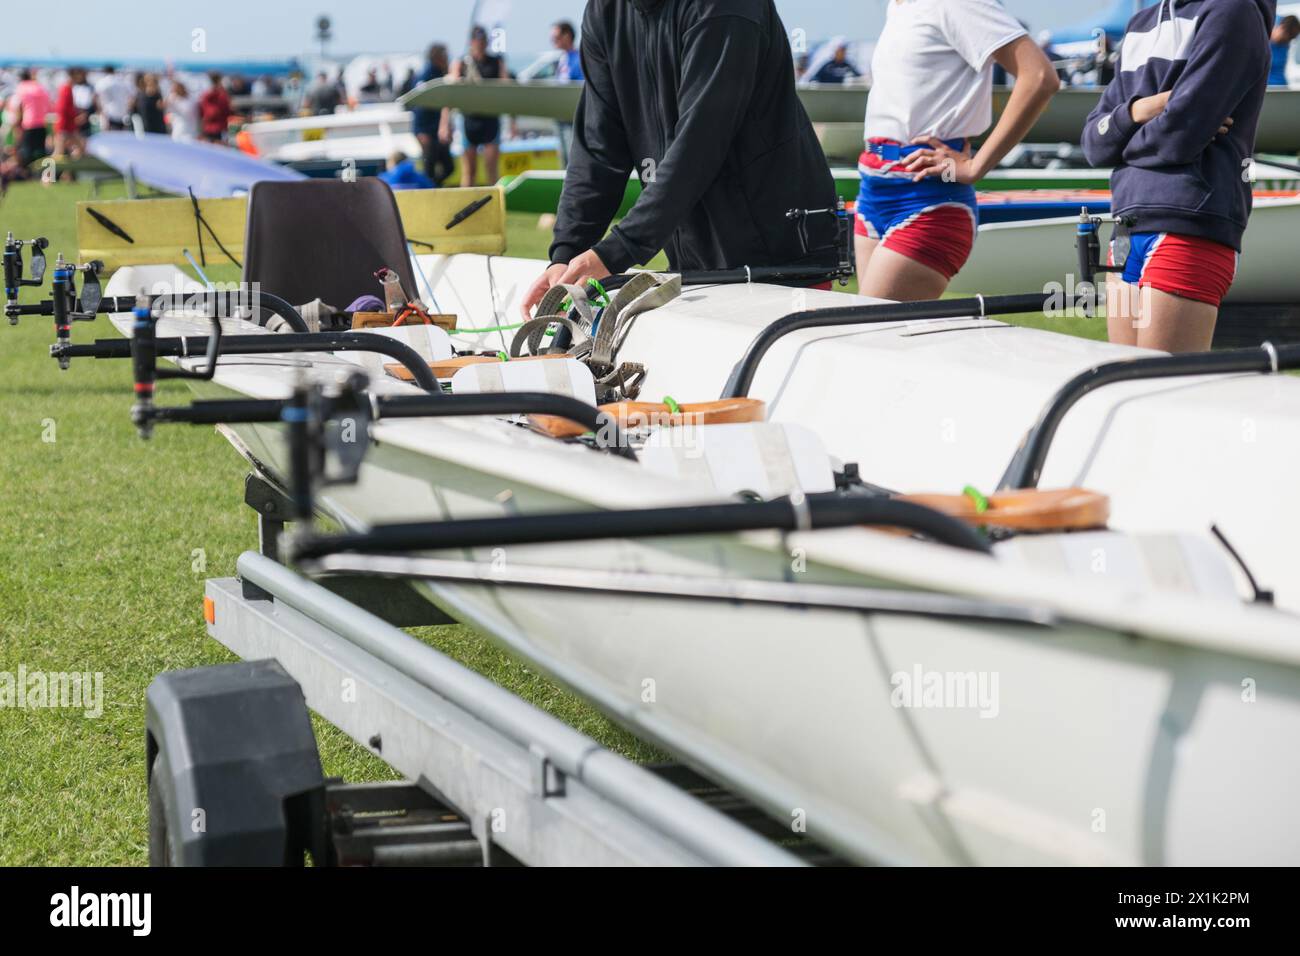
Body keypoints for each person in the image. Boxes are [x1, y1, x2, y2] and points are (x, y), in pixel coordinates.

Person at [522, 0, 842, 319]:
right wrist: (567, 254)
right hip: (694, 266)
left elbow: (700, 142)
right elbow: (597, 149)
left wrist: (617, 251)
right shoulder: (605, 11)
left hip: (779, 261)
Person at [1083, 0, 1274, 353]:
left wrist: (1122, 142)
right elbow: (1093, 144)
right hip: (1126, 228)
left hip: (1189, 225)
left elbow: (1178, 138)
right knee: (1125, 384)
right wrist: (1143, 109)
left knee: (1165, 385)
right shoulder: (1140, 23)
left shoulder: (1233, 11)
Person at [853, 0, 1059, 301]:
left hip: (928, 200)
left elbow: (1040, 76)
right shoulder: (899, 7)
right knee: (870, 325)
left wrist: (975, 166)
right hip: (873, 190)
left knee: (868, 326)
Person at [440, 26, 510, 187]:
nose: (481, 44)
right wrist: (444, 124)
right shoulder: (461, 63)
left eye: (483, 41)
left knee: (491, 169)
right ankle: (467, 201)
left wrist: (512, 121)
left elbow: (507, 90)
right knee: (469, 171)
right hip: (469, 120)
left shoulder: (496, 62)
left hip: (490, 119)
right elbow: (450, 94)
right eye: (478, 41)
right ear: (471, 42)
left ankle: (495, 200)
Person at [408, 45, 454, 184]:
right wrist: (422, 132)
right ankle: (429, 189)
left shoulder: (438, 73)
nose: (447, 58)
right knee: (430, 167)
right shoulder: (428, 75)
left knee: (447, 167)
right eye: (444, 55)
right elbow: (421, 106)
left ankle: (434, 187)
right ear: (437, 57)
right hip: (426, 129)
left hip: (435, 129)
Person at [12, 69, 53, 165]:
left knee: (27, 151)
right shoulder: (39, 87)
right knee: (40, 150)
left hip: (28, 124)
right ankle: (41, 170)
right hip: (42, 123)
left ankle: (28, 171)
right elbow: (48, 104)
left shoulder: (21, 87)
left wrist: (17, 124)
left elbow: (18, 107)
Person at [54, 68, 90, 158]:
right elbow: (63, 108)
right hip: (65, 125)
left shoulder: (67, 88)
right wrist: (76, 115)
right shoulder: (66, 88)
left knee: (79, 146)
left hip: (68, 125)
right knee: (59, 151)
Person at [94, 65, 133, 131]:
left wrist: (100, 111)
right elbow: (132, 97)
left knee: (108, 135)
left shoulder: (102, 82)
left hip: (107, 115)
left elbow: (96, 97)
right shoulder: (122, 81)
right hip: (122, 114)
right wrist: (128, 110)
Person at [198, 71, 232, 143]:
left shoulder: (206, 95)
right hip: (217, 128)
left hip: (212, 128)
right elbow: (223, 110)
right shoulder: (220, 95)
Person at [1269, 14, 1299, 86]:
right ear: (1281, 27)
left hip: (1275, 85)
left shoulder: (1283, 47)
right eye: (1282, 37)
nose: (1282, 41)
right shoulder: (1267, 20)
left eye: (1286, 40)